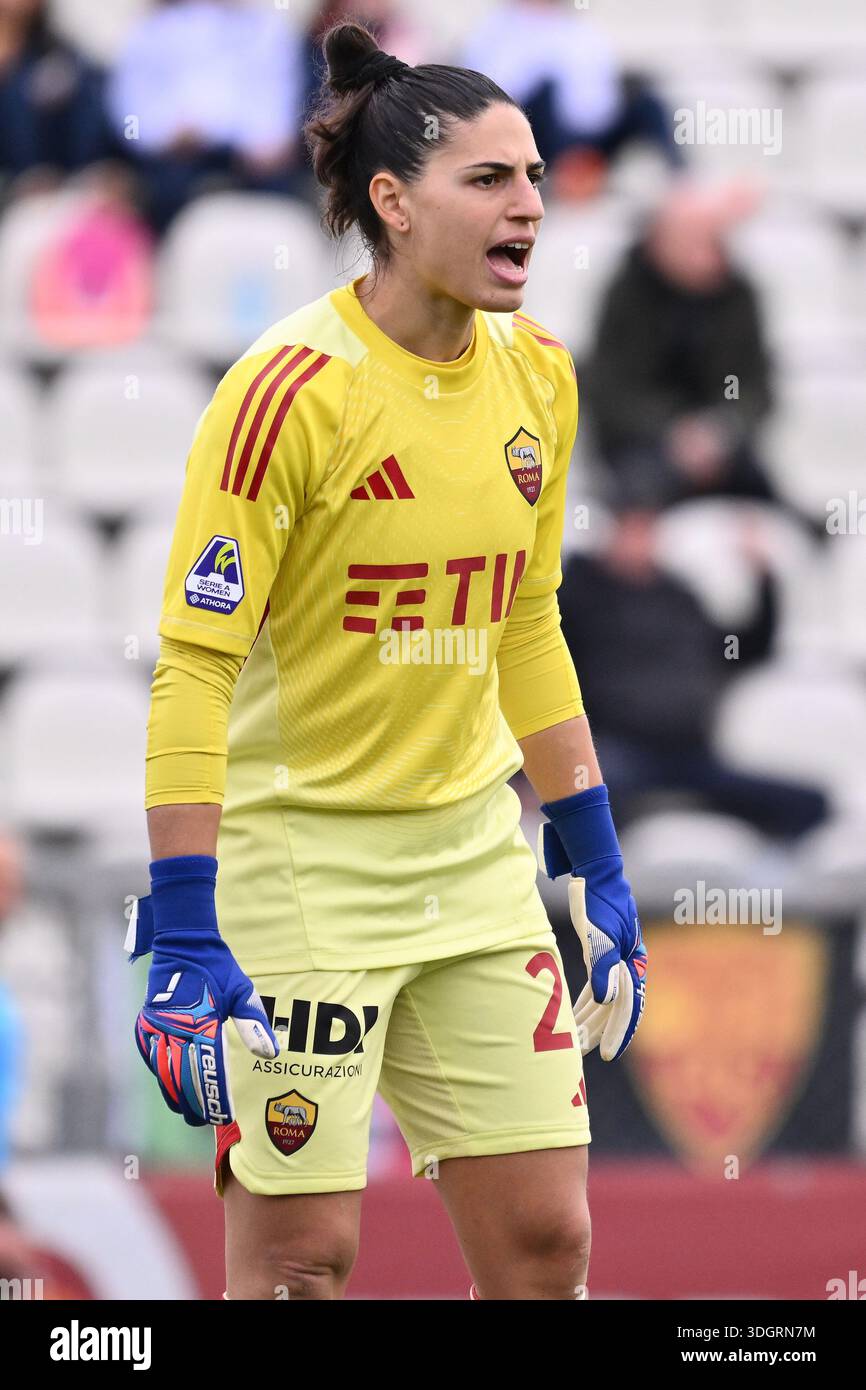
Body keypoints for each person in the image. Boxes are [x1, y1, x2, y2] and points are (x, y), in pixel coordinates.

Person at [129, 20, 647, 1301]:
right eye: (488, 180)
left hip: (469, 859)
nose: (528, 204)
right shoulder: (285, 393)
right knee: (304, 1263)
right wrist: (185, 922)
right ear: (391, 203)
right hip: (301, 866)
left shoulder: (539, 376)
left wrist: (592, 852)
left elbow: (524, 620)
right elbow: (192, 666)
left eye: (530, 175)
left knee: (547, 1249)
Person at [584, 179, 777, 510]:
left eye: (714, 240)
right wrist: (673, 431)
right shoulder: (627, 293)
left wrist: (721, 430)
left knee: (771, 507)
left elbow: (755, 388)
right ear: (661, 240)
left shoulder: (738, 295)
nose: (708, 253)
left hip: (723, 448)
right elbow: (611, 391)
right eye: (694, 240)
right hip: (640, 449)